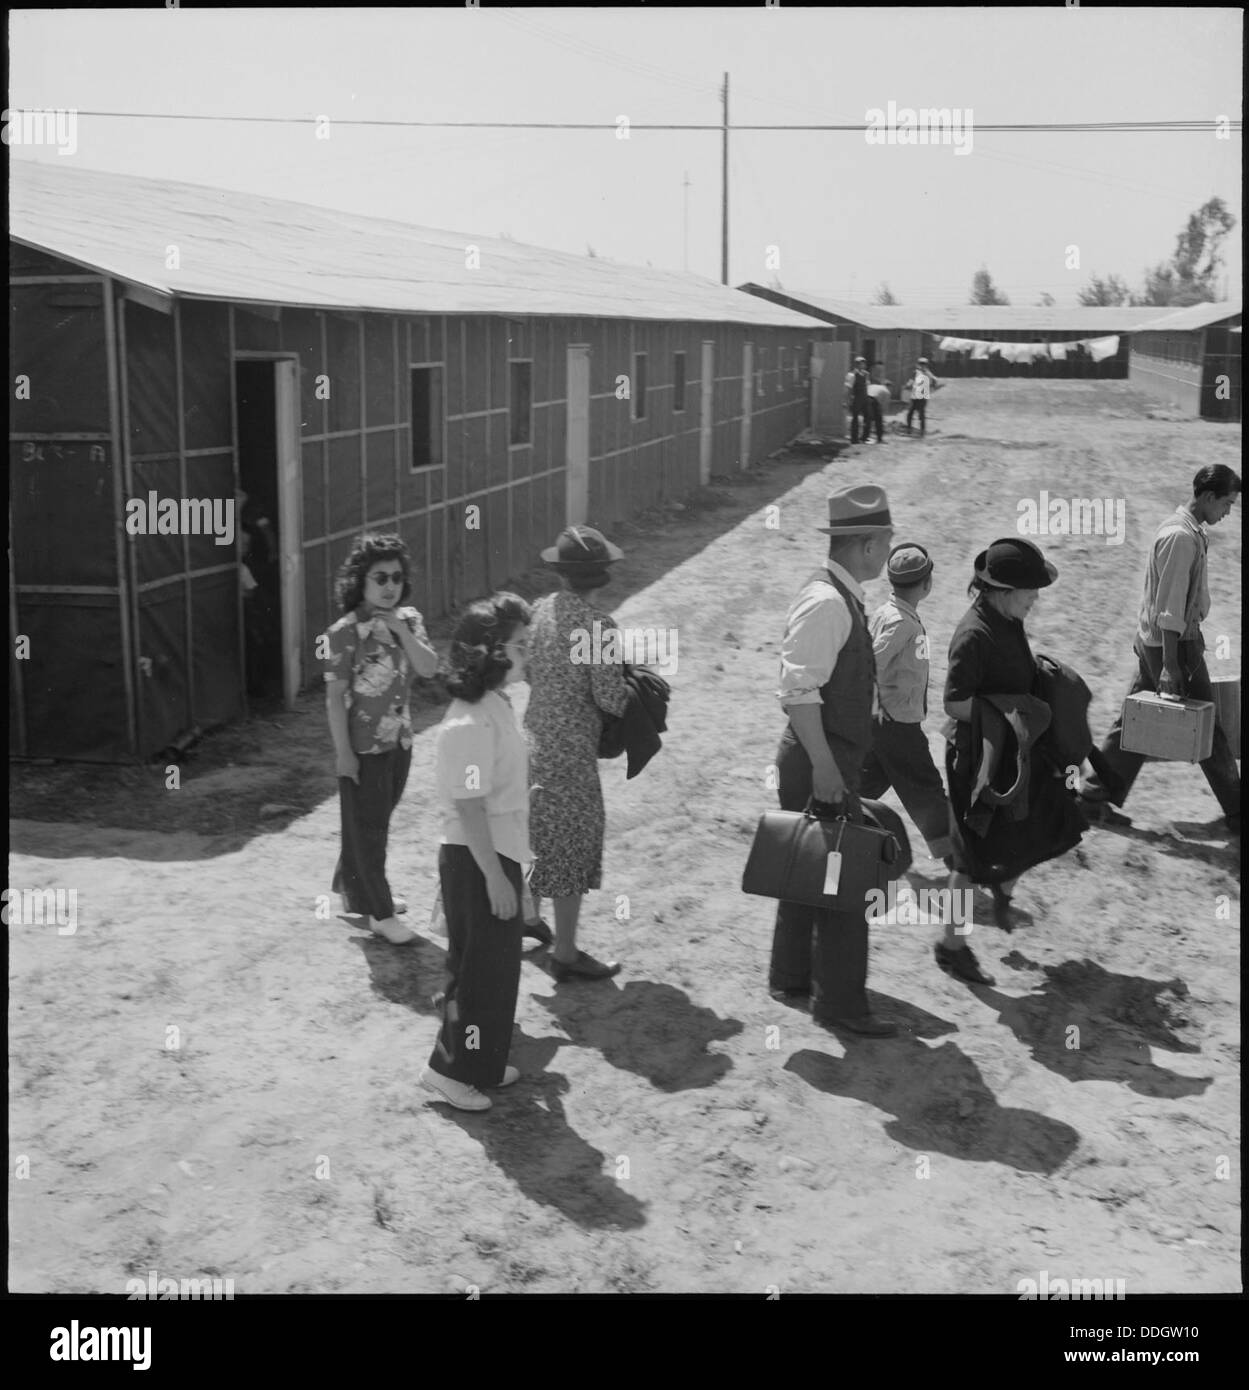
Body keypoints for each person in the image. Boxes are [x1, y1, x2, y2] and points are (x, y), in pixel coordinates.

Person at [770, 484, 899, 1037]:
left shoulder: (836, 596)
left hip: (821, 758)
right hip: (818, 761)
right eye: (886, 542)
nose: (889, 553)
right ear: (867, 546)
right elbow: (798, 692)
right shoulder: (828, 604)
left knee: (807, 869)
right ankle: (841, 1004)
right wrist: (824, 767)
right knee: (846, 882)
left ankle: (791, 977)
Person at [937, 537, 1086, 986]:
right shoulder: (974, 634)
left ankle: (1002, 888)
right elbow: (953, 702)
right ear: (1003, 591)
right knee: (967, 863)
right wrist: (1008, 708)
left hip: (1011, 753)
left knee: (1040, 823)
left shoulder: (1007, 619)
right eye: (1030, 591)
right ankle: (951, 947)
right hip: (976, 761)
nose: (1036, 598)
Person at [419, 593, 534, 1112]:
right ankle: (447, 1072)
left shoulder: (497, 705)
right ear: (490, 651)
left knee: (496, 968)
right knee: (477, 971)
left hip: (496, 851)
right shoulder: (467, 723)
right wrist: (494, 877)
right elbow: (469, 808)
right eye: (519, 645)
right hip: (475, 856)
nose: (526, 653)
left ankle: (481, 1062)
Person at [1079, 465, 1241, 833]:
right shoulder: (1180, 537)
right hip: (1173, 646)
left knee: (1136, 724)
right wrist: (1170, 664)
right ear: (1207, 497)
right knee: (1207, 727)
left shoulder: (1188, 529)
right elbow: (1168, 607)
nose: (1228, 512)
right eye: (1226, 504)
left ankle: (1092, 797)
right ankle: (1238, 810)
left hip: (1160, 643)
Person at [319, 534, 438, 946]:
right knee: (371, 831)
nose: (390, 586)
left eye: (396, 578)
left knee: (374, 823)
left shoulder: (410, 620)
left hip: (401, 742)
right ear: (360, 581)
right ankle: (380, 913)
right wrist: (343, 756)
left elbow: (429, 668)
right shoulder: (342, 633)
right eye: (380, 577)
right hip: (363, 749)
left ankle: (356, 890)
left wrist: (402, 632)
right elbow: (334, 701)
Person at [525, 526, 631, 982]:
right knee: (571, 845)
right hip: (571, 755)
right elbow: (611, 699)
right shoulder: (598, 627)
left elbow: (529, 669)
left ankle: (528, 920)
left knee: (536, 834)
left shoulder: (539, 610)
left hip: (533, 741)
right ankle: (565, 952)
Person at [859, 543, 953, 860]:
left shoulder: (887, 614)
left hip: (882, 722)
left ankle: (834, 826)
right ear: (927, 584)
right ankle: (959, 857)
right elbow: (868, 665)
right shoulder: (903, 624)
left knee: (866, 784)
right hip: (897, 724)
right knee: (926, 789)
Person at [904, 358, 939, 436]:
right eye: (921, 364)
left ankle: (920, 431)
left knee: (919, 414)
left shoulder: (926, 373)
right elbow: (911, 381)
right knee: (912, 413)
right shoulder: (922, 372)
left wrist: (908, 386)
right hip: (916, 395)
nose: (922, 365)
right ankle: (911, 429)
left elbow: (935, 381)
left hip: (922, 396)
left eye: (923, 364)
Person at [846, 355, 874, 445]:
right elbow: (849, 388)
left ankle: (865, 437)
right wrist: (848, 399)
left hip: (865, 398)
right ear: (856, 365)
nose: (862, 365)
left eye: (863, 363)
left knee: (868, 417)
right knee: (855, 419)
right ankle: (854, 439)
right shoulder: (852, 375)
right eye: (860, 363)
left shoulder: (866, 374)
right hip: (857, 397)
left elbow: (867, 386)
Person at [866, 379, 891, 444]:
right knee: (878, 420)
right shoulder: (886, 391)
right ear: (889, 386)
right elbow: (884, 405)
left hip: (865, 398)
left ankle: (864, 437)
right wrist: (882, 414)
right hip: (873, 400)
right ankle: (879, 439)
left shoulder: (874, 385)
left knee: (867, 419)